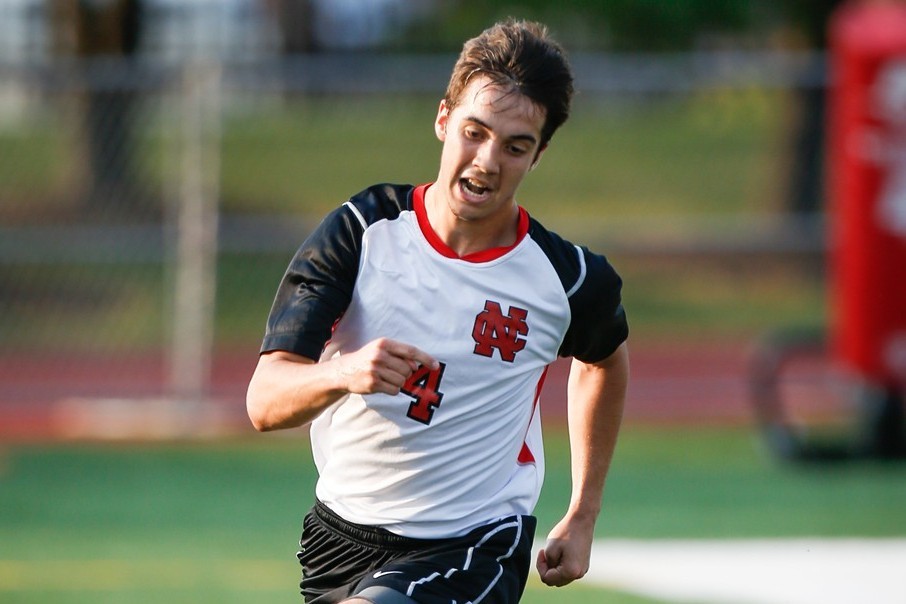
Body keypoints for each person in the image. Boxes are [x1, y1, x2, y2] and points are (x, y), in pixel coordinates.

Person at [246, 18, 630, 604]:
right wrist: (344, 373)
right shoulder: (362, 232)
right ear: (443, 119)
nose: (487, 160)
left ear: (539, 155)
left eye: (515, 146)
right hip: (339, 537)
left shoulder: (567, 279)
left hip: (474, 547)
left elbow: (603, 361)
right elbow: (264, 401)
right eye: (475, 132)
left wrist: (583, 513)